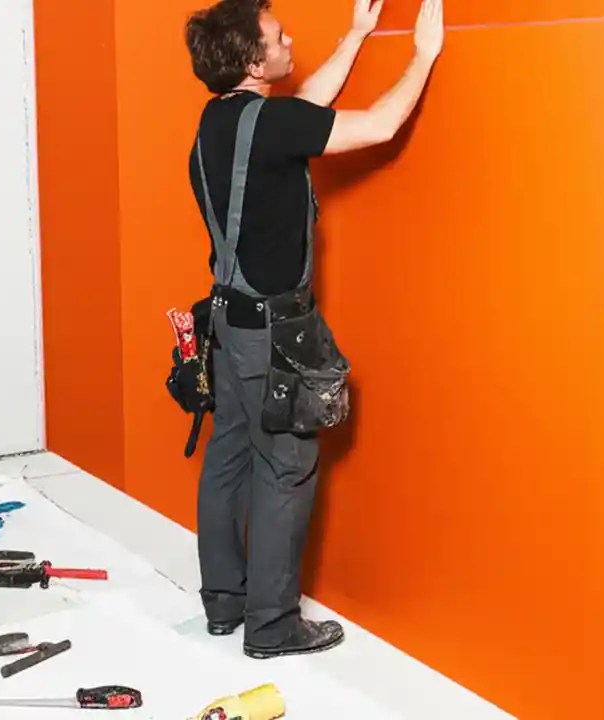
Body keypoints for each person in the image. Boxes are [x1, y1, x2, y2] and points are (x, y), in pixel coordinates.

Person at [183, 0, 444, 659]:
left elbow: (305, 116)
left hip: (227, 324)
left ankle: (224, 604)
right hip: (272, 334)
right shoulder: (269, 125)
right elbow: (378, 125)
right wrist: (423, 55)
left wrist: (357, 34)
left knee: (228, 458)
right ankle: (271, 628)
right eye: (277, 36)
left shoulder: (220, 122)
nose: (288, 39)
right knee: (285, 470)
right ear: (252, 60)